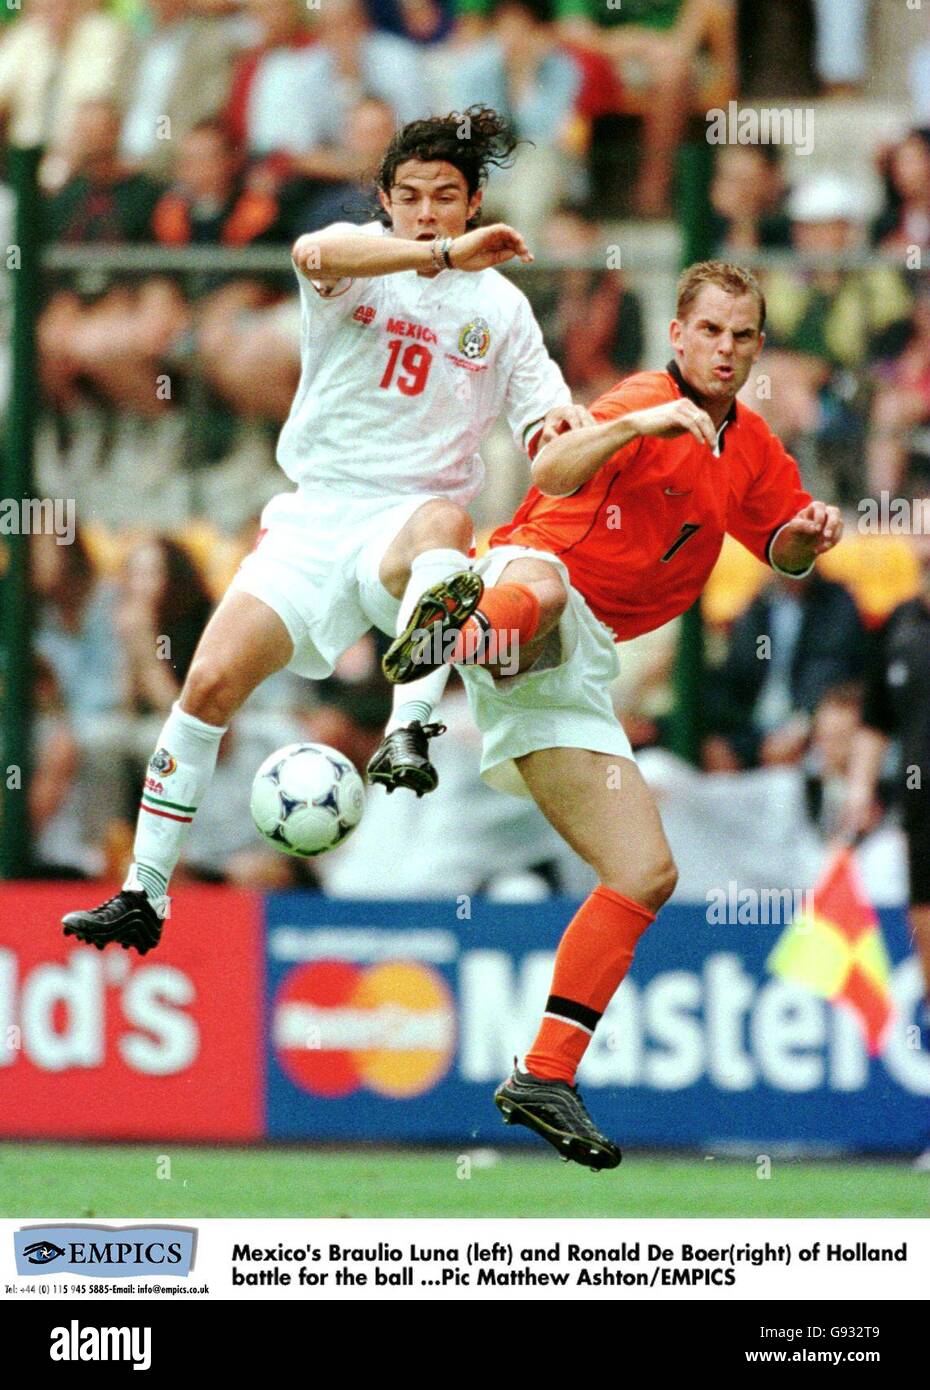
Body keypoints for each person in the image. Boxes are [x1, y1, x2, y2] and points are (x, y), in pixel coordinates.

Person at [61, 106, 581, 954]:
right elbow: (311, 255)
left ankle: (409, 731)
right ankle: (143, 892)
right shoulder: (358, 260)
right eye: (408, 196)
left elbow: (547, 430)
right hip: (313, 517)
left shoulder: (503, 311)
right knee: (209, 686)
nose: (425, 210)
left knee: (449, 519)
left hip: (407, 527)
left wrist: (608, 427)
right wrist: (437, 255)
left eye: (444, 197)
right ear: (384, 198)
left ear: (475, 198)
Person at [380, 260, 843, 1168]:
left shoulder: (749, 443)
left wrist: (808, 537)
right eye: (710, 331)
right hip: (531, 577)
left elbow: (779, 548)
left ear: (757, 348)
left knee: (644, 872)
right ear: (678, 335)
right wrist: (637, 418)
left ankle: (546, 1073)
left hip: (583, 675)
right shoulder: (644, 397)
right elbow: (550, 463)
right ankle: (453, 633)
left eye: (743, 336)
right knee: (543, 591)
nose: (726, 349)